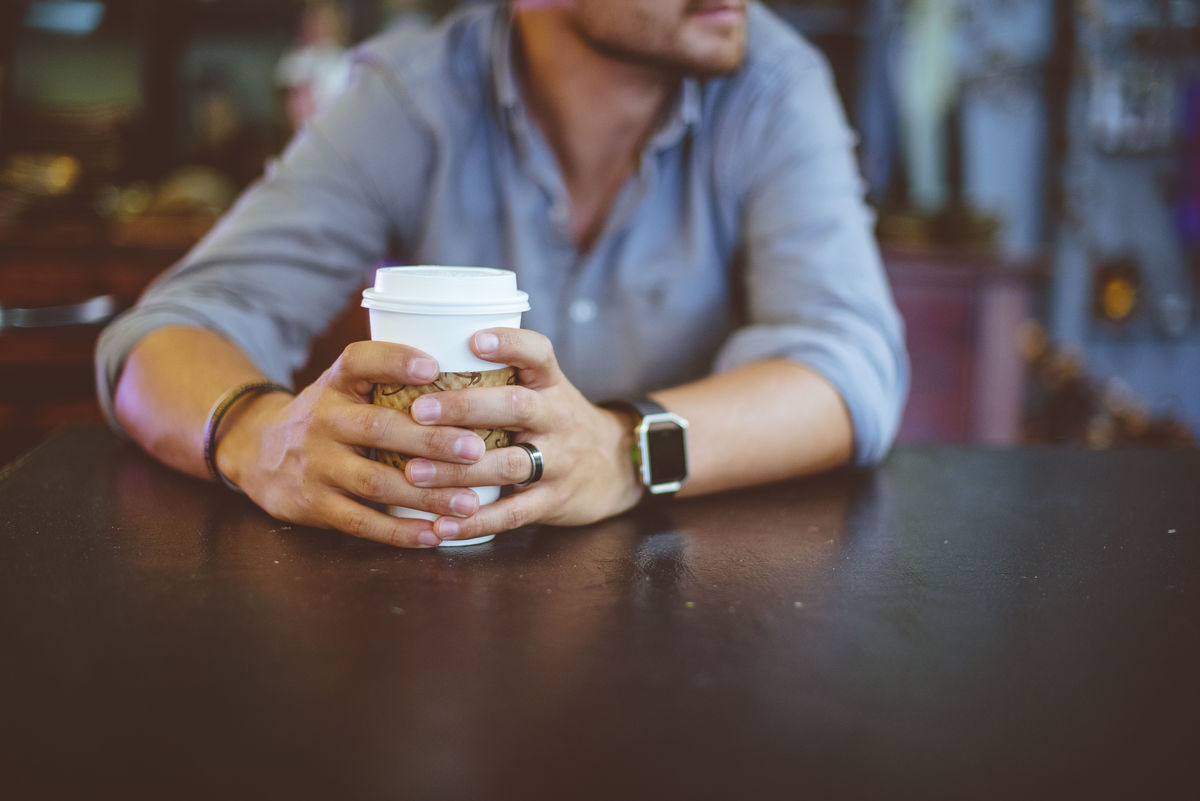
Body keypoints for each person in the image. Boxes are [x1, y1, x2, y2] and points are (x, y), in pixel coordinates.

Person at [96, 0, 909, 548]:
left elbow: (851, 364)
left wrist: (624, 450)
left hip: (695, 597)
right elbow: (167, 333)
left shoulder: (774, 85)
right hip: (442, 605)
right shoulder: (413, 98)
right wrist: (255, 435)